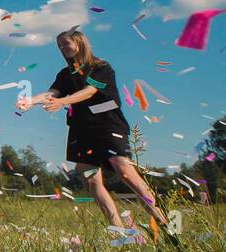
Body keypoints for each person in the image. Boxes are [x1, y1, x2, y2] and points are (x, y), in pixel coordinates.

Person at [17, 29, 169, 232]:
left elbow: (89, 91)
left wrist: (62, 101)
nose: (62, 48)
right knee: (91, 178)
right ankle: (119, 230)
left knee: (124, 171)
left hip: (107, 124)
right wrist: (31, 101)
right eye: (59, 45)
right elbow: (51, 93)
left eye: (65, 43)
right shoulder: (65, 74)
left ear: (79, 42)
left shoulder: (101, 67)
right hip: (81, 127)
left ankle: (162, 221)